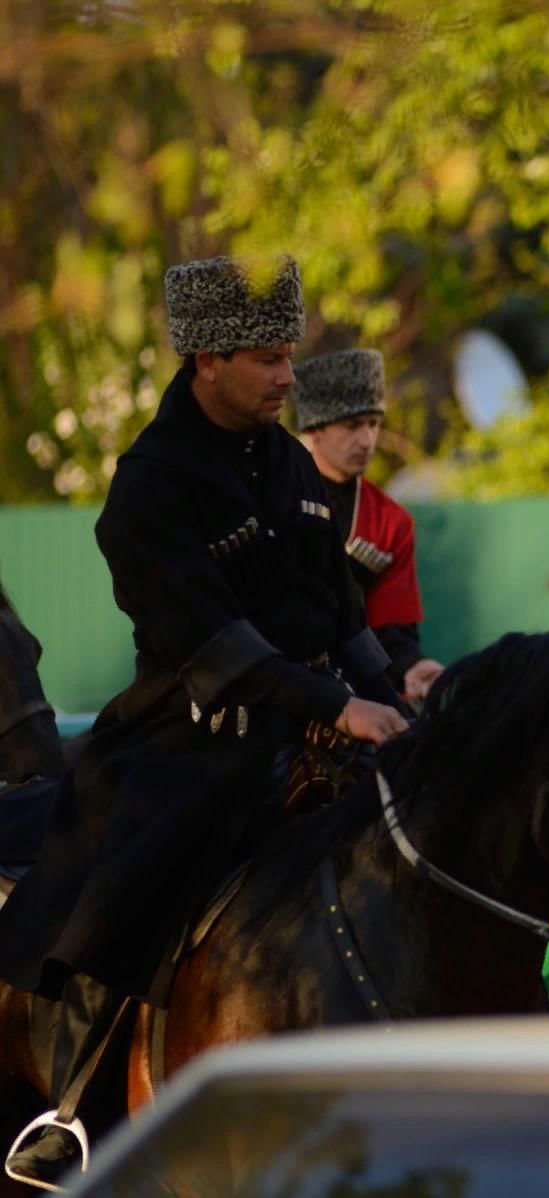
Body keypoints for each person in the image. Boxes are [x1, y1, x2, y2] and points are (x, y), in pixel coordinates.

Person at [0, 255, 408, 1187]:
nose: (286, 379)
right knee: (132, 894)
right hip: (183, 743)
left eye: (287, 356)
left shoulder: (290, 470)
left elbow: (340, 610)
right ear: (206, 363)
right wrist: (337, 707)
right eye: (265, 360)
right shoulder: (148, 485)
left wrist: (394, 699)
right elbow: (210, 646)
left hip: (311, 734)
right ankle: (68, 1114)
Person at [293, 348, 444, 705]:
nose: (367, 440)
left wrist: (414, 667)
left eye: (374, 423)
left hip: (358, 693)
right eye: (351, 425)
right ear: (315, 429)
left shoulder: (391, 521)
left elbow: (392, 634)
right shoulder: (275, 497)